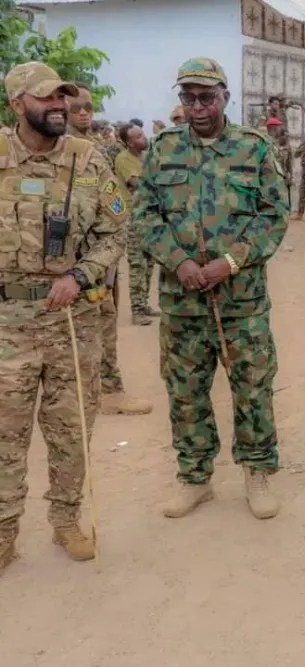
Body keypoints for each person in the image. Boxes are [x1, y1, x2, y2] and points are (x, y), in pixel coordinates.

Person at [135, 57, 288, 520]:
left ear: (225, 97)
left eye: (206, 97)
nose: (197, 107)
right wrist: (178, 261)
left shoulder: (254, 149)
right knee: (185, 391)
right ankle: (195, 477)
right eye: (188, 97)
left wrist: (231, 261)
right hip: (183, 302)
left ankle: (257, 472)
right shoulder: (162, 150)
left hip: (242, 302)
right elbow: (144, 216)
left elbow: (274, 215)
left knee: (253, 388)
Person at [0, 62, 127, 573]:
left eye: (63, 98)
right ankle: (4, 531)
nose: (59, 106)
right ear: (17, 105)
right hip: (6, 323)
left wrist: (80, 275)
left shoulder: (89, 159)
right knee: (5, 435)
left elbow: (116, 231)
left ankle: (68, 521)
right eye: (47, 98)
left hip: (71, 321)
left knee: (71, 429)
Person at [66, 84, 153, 416]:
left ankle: (109, 389)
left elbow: (112, 204)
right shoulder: (58, 151)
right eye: (76, 108)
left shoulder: (96, 150)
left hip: (99, 257)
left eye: (88, 106)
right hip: (68, 261)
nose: (84, 112)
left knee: (105, 318)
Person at [114, 123, 158, 326]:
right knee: (138, 265)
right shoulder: (124, 159)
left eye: (142, 134)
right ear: (129, 143)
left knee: (148, 264)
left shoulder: (145, 157)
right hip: (134, 218)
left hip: (149, 217)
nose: (144, 138)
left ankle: (144, 303)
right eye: (138, 137)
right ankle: (137, 310)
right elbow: (136, 184)